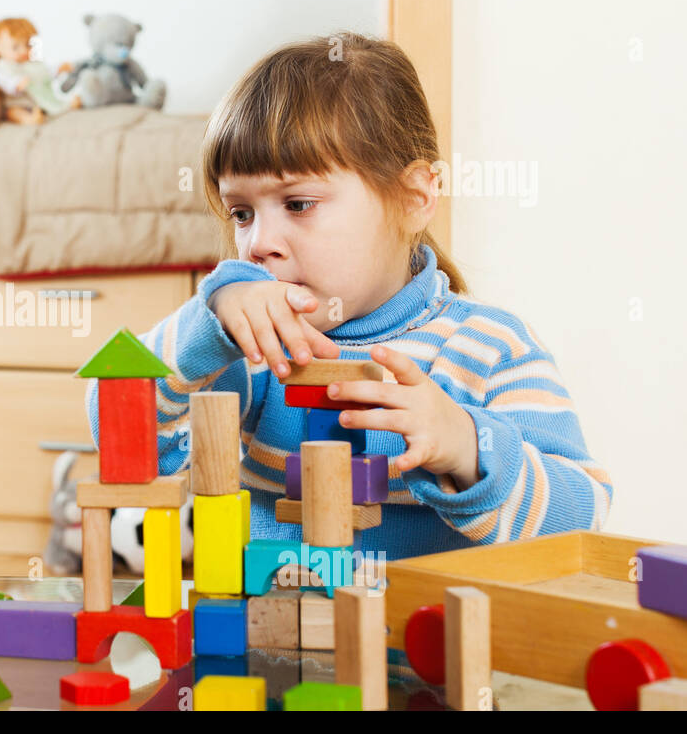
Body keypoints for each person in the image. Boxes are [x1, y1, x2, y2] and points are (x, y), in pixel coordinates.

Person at [86, 32, 612, 560]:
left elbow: (581, 520)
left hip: (423, 639)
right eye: (241, 213)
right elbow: (121, 436)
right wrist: (209, 325)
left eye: (298, 203)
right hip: (268, 634)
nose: (259, 243)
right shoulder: (251, 352)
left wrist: (466, 445)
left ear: (413, 199)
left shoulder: (489, 346)